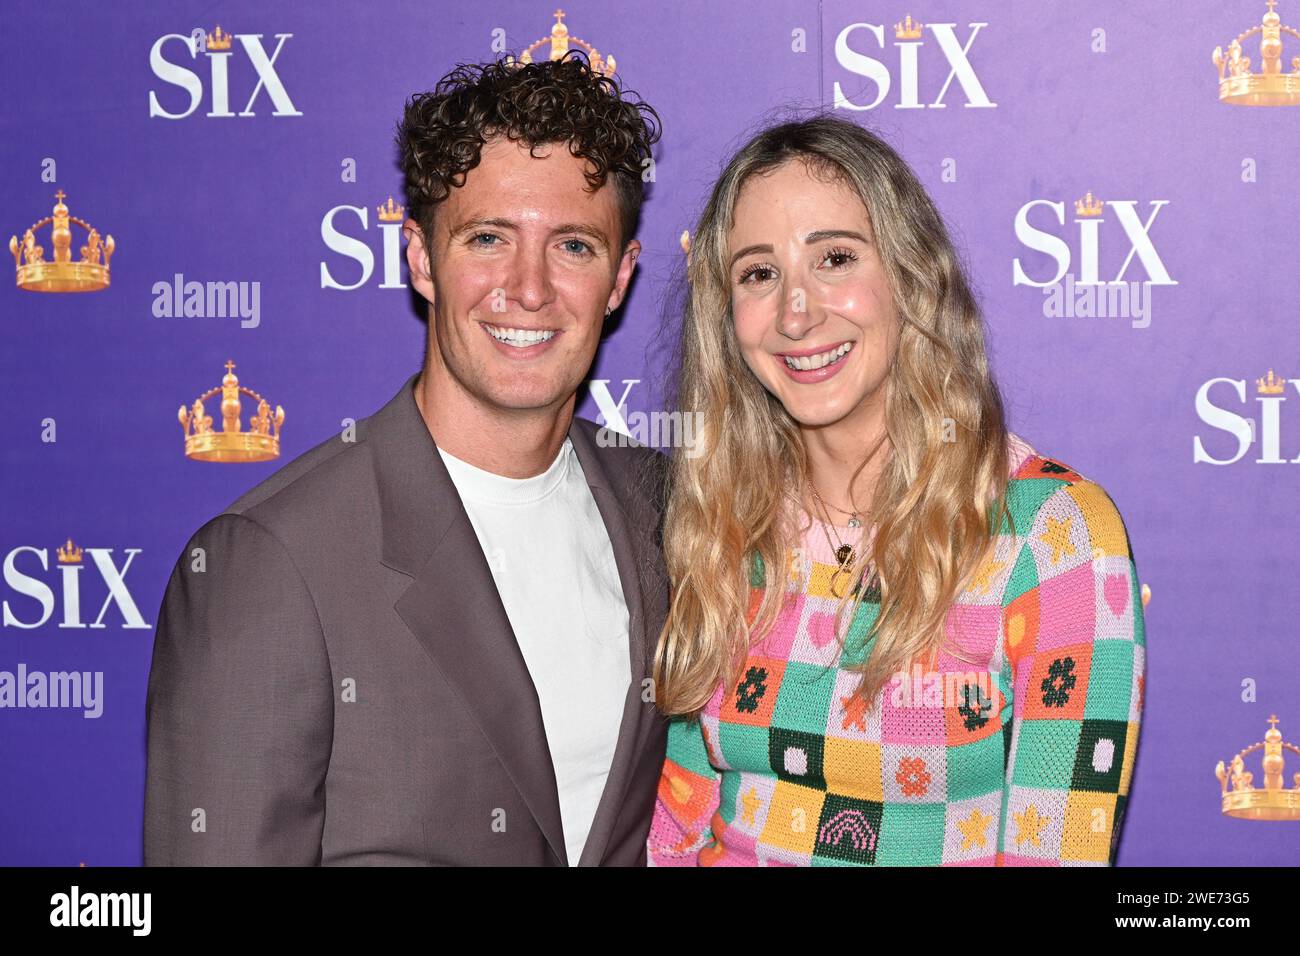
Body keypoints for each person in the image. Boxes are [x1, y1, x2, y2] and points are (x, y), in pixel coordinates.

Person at [144, 53, 670, 866]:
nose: (528, 288)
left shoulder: (669, 508)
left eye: (571, 245)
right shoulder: (270, 562)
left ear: (619, 278)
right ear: (421, 258)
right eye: (489, 238)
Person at [646, 115, 1145, 866]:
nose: (796, 311)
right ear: (727, 315)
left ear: (911, 277)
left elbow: (1058, 853)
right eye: (758, 273)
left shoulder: (1053, 538)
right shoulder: (718, 523)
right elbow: (670, 836)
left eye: (836, 258)